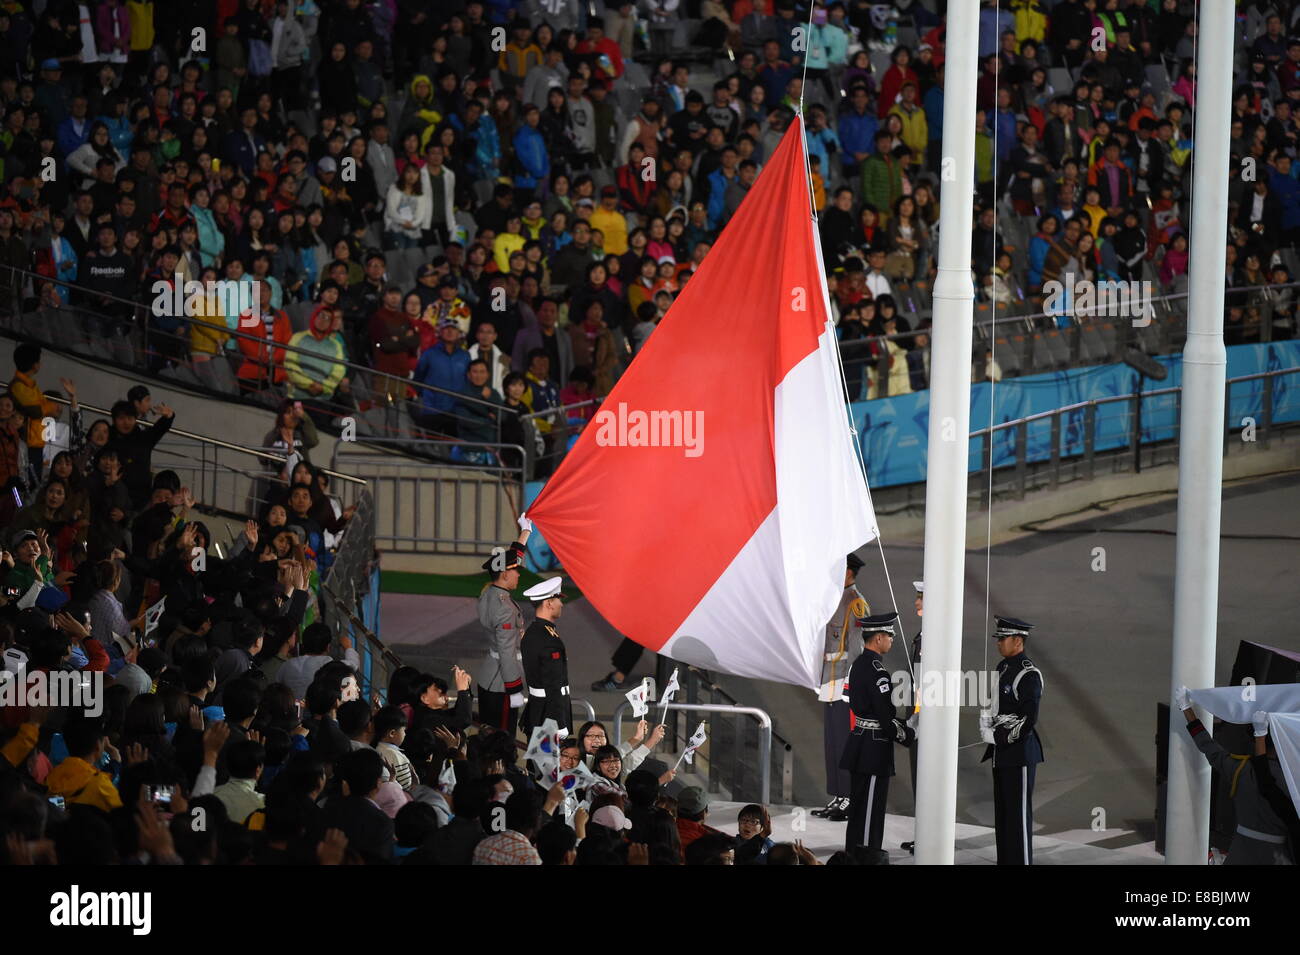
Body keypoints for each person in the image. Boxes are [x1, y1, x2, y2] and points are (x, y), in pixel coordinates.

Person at [1174, 689, 1292, 864]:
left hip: (1241, 853)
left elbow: (1208, 746)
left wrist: (1186, 708)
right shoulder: (1291, 779)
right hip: (1277, 857)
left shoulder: (1240, 769)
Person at [840, 612, 914, 855]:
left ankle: (853, 856)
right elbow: (884, 717)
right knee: (870, 813)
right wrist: (908, 733)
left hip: (859, 742)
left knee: (858, 810)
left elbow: (852, 701)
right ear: (879, 638)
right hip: (874, 750)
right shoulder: (878, 671)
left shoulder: (858, 665)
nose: (891, 640)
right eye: (890, 636)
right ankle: (865, 858)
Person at [979, 616, 1044, 866]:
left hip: (1019, 752)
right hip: (1001, 752)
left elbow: (1029, 719)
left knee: (1018, 817)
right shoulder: (1003, 667)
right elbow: (997, 702)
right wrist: (987, 719)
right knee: (1004, 816)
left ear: (1018, 641)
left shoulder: (1028, 674)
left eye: (1003, 639)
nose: (998, 643)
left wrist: (999, 736)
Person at [812, 553, 868, 822]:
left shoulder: (854, 603)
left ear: (848, 572)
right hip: (829, 681)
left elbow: (856, 648)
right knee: (832, 742)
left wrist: (849, 685)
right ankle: (837, 794)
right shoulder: (833, 598)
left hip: (843, 682)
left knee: (844, 742)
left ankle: (849, 796)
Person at [476, 516, 531, 733]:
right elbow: (507, 653)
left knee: (488, 735)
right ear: (505, 573)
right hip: (502, 684)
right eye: (516, 570)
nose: (519, 574)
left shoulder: (490, 592)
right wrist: (515, 690)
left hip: (490, 677)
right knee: (502, 738)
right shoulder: (505, 609)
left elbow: (512, 556)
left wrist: (526, 532)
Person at [519, 575, 570, 738]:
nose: (561, 604)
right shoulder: (548, 639)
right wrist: (560, 723)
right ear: (549, 603)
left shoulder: (533, 632)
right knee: (545, 756)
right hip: (549, 716)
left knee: (537, 755)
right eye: (558, 599)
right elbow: (553, 684)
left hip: (538, 710)